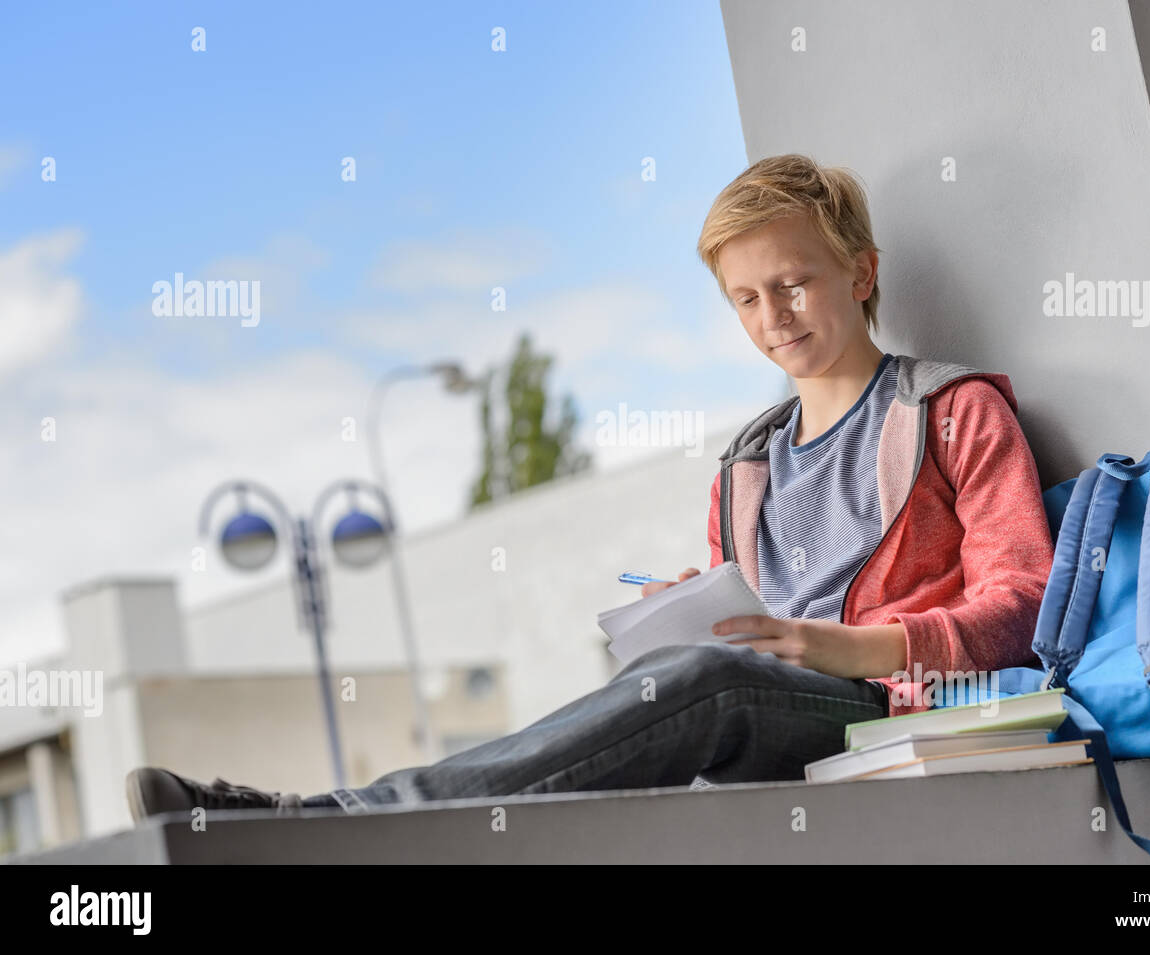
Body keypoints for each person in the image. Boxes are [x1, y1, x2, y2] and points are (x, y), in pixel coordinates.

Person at [126, 153, 1056, 822]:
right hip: (763, 705)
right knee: (672, 675)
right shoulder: (748, 466)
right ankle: (328, 814)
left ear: (860, 273)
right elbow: (747, 630)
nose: (773, 317)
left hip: (884, 702)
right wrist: (695, 609)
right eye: (745, 299)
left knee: (699, 684)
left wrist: (845, 644)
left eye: (794, 283)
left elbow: (1021, 608)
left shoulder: (951, 411)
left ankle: (326, 818)